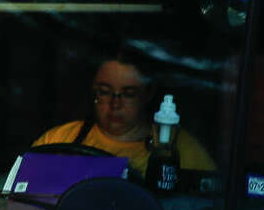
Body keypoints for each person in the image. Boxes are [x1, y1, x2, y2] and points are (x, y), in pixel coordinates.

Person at [32, 50, 217, 177]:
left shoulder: (181, 149)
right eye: (105, 92)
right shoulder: (59, 140)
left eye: (128, 94)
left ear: (148, 94)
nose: (115, 103)